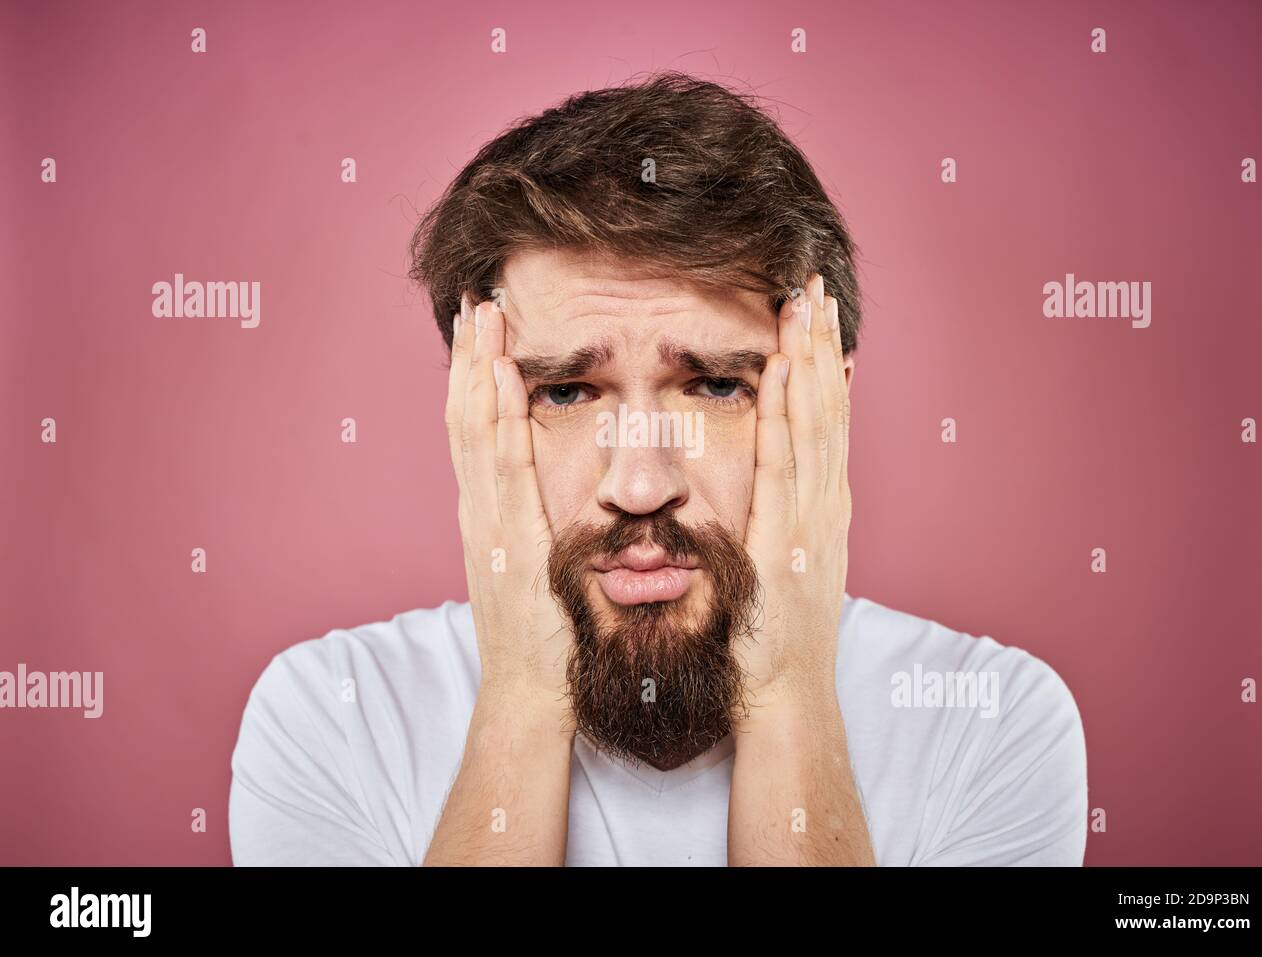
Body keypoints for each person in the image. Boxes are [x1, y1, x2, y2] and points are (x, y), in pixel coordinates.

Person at [229, 72, 1087, 866]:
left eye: (716, 384)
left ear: (827, 405)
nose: (640, 486)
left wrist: (787, 691)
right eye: (566, 391)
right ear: (471, 409)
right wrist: (526, 692)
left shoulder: (993, 719)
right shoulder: (330, 715)